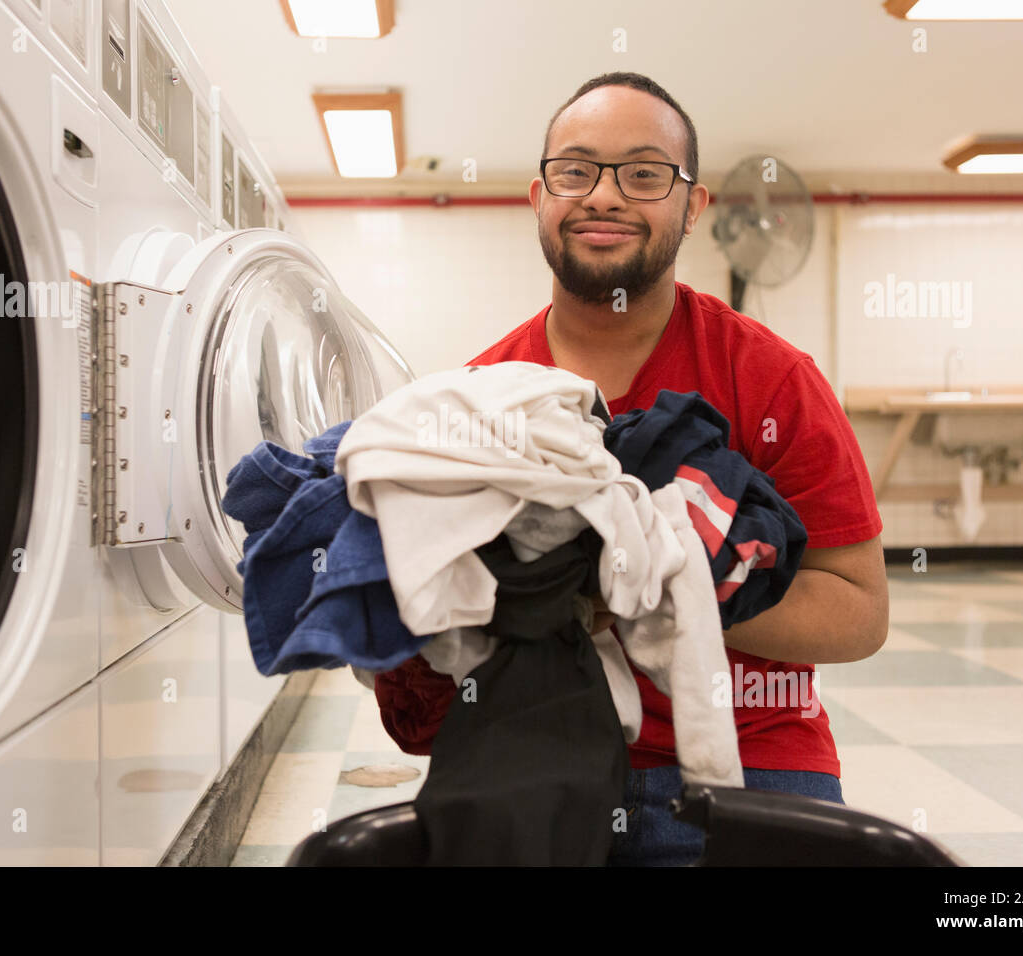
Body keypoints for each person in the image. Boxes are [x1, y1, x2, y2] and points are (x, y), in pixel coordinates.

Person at [372, 72, 888, 866]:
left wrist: (652, 581)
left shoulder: (772, 379)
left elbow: (859, 614)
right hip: (541, 756)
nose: (603, 196)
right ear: (539, 198)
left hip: (755, 757)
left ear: (694, 206)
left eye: (645, 174)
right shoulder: (480, 399)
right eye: (576, 171)